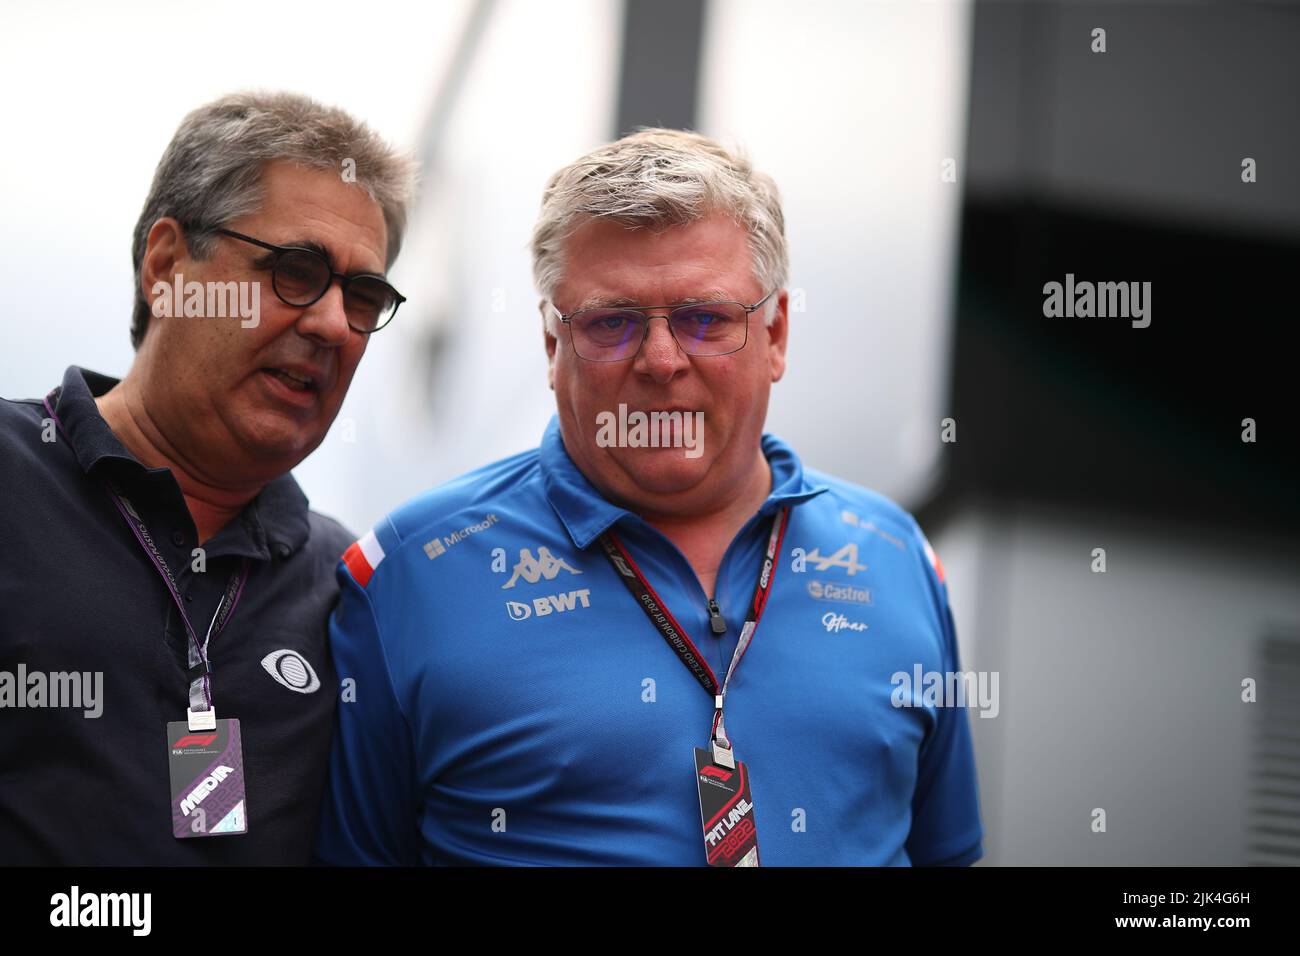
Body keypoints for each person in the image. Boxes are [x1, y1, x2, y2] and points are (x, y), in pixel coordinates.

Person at [315, 128, 982, 866]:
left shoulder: (899, 562)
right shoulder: (410, 576)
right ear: (549, 344)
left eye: (706, 320)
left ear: (777, 334)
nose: (661, 361)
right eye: (611, 323)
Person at [0, 91, 415, 864]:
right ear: (167, 267)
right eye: (295, 269)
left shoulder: (352, 589)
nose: (330, 323)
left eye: (362, 295)